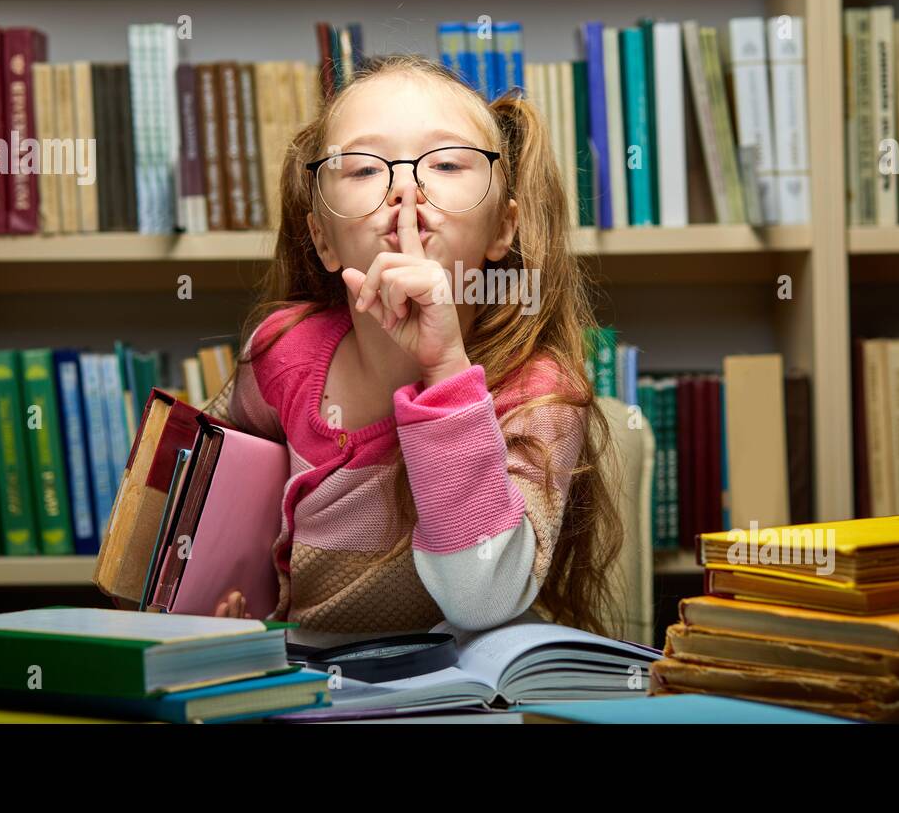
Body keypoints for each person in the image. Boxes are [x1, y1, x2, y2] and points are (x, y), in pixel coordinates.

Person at [206, 52, 623, 637]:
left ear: (504, 228)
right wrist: (216, 605)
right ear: (323, 240)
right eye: (364, 169)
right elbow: (207, 490)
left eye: (448, 164)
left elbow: (483, 600)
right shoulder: (281, 352)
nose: (406, 187)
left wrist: (445, 367)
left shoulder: (538, 393)